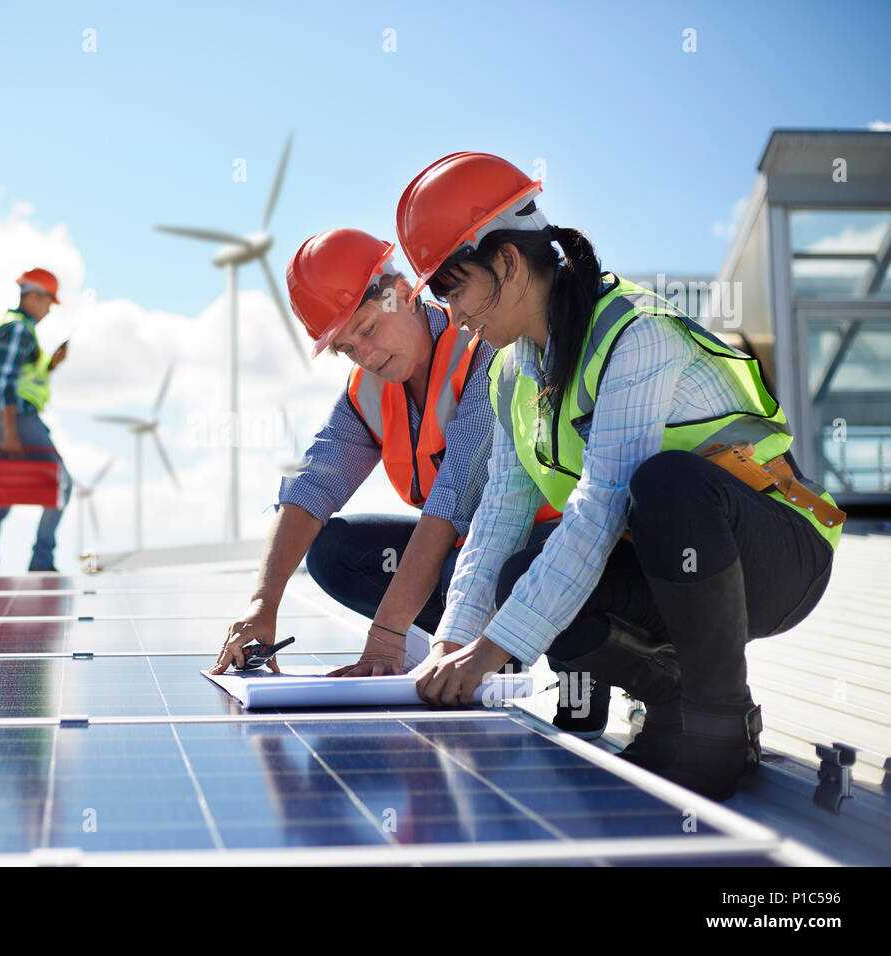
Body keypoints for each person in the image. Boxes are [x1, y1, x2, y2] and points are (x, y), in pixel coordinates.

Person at [396, 152, 843, 800]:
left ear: (509, 264)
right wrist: (455, 640)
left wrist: (495, 650)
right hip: (675, 567)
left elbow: (599, 505)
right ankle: (674, 704)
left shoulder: (635, 333)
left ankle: (721, 727)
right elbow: (499, 512)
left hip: (779, 555)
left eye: (455, 289)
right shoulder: (511, 373)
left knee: (665, 483)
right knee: (522, 570)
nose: (454, 317)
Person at [209, 228, 559, 679]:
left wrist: (385, 636)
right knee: (334, 551)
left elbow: (456, 498)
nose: (366, 355)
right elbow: (314, 482)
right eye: (347, 348)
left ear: (402, 295)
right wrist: (262, 603)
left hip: (541, 543)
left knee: (461, 568)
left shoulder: (483, 350)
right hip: (461, 553)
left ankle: (509, 659)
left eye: (368, 329)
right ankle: (450, 651)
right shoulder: (370, 391)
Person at [0, 268, 72, 573]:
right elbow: (4, 382)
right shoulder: (18, 329)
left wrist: (50, 365)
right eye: (47, 302)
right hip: (14, 420)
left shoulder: (15, 328)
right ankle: (42, 560)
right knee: (62, 483)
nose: (48, 310)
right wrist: (11, 432)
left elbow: (21, 376)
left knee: (2, 491)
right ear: (32, 296)